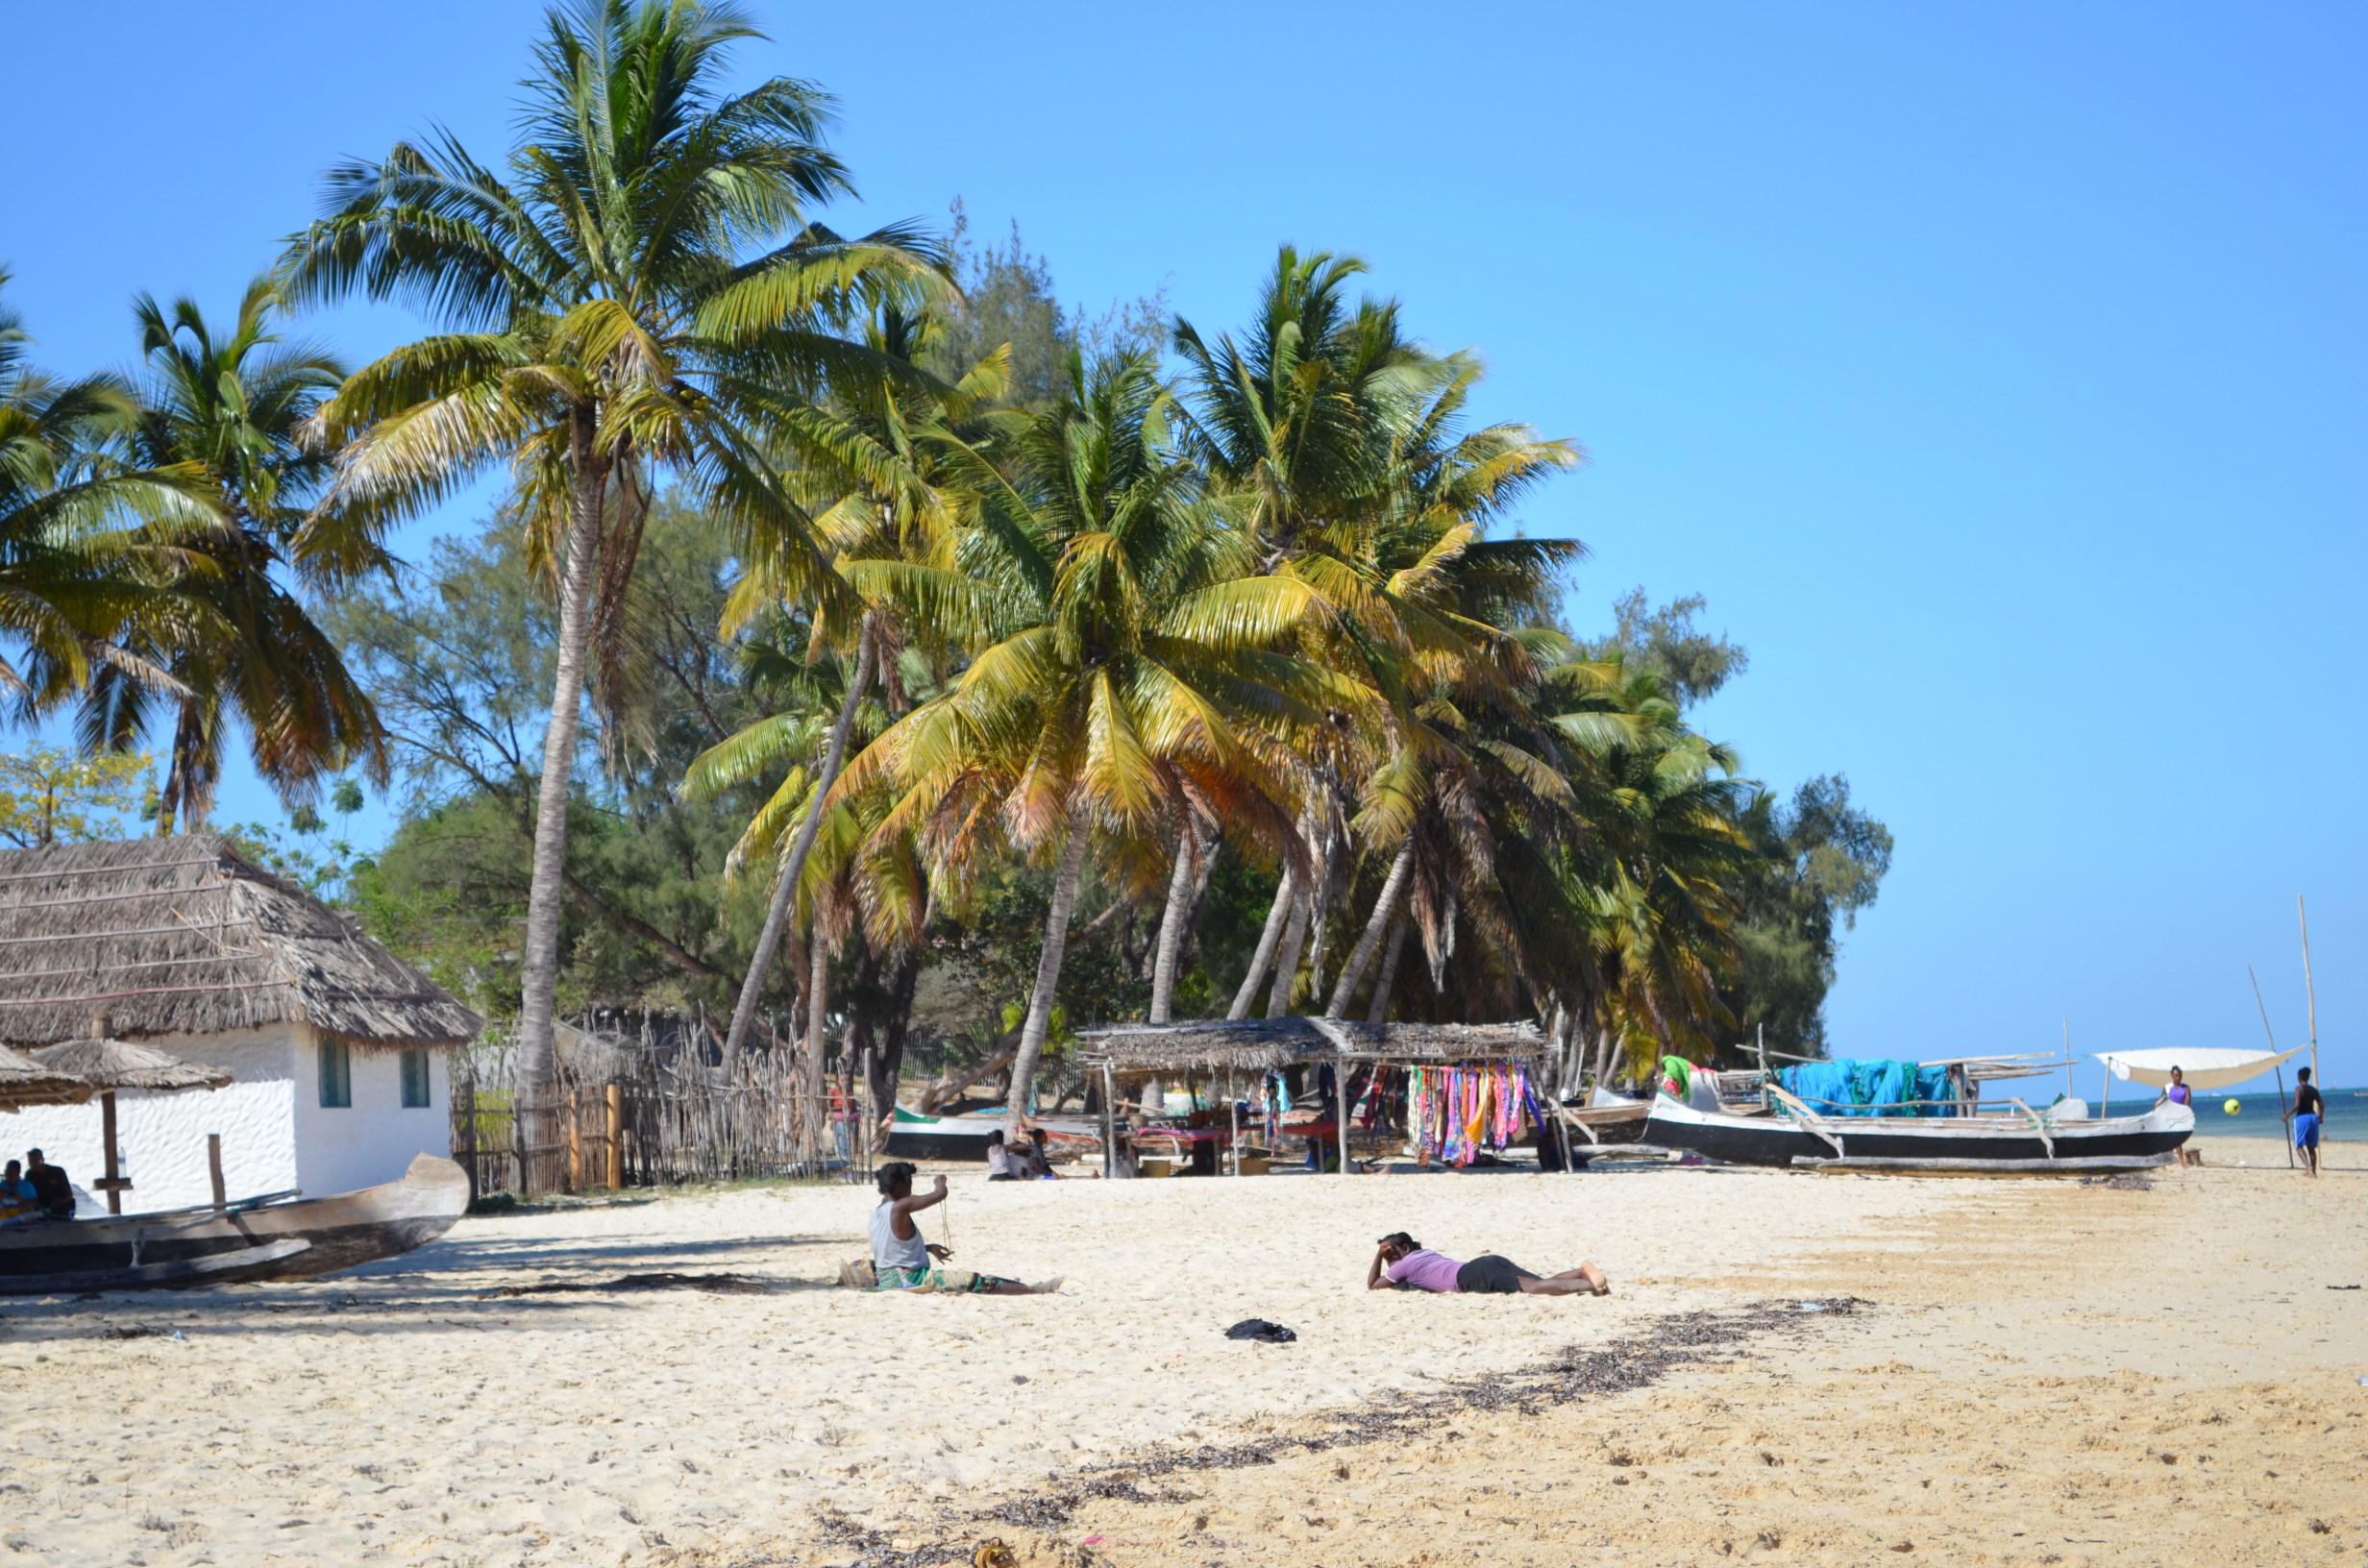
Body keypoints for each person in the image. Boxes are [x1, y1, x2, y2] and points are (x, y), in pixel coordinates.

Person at [868, 1162, 1060, 1294]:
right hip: (907, 1278)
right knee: (973, 1281)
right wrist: (939, 1181)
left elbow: (890, 1248)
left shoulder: (879, 1211)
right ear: (902, 1184)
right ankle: (1033, 1290)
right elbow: (940, 1194)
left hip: (886, 1277)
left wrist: (926, 1248)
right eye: (909, 1183)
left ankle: (1021, 1286)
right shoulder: (901, 1206)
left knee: (978, 1279)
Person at [1367, 1231, 1609, 1297]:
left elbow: (1373, 1285)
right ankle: (1581, 1271)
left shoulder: (1404, 1264)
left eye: (1391, 1253)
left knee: (1534, 1289)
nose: (1390, 1259)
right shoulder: (1424, 1253)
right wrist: (1385, 1253)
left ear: (1405, 1249)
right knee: (1539, 1282)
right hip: (1483, 1263)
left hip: (1471, 1275)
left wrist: (1378, 1256)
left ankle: (1588, 1286)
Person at [2162, 1066, 2201, 1166]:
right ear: (2172, 1076)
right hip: (2168, 1116)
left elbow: (2187, 1101)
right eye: (2176, 1075)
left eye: (2180, 1075)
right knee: (2171, 1139)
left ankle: (2178, 1161)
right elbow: (2161, 1100)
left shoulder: (2186, 1088)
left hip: (2179, 1116)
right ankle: (2177, 1161)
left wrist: (2186, 1113)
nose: (2178, 1077)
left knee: (2176, 1139)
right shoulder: (2167, 1087)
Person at [23, 1149, 75, 1221]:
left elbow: (69, 1195)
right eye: (30, 1161)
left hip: (63, 1206)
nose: (33, 1164)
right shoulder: (30, 1174)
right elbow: (29, 1195)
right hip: (42, 1208)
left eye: (35, 1161)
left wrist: (54, 1206)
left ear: (42, 1160)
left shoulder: (57, 1171)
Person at [2291, 1067, 2324, 1179]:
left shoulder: (2299, 1089)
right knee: (2311, 1147)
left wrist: (2286, 1115)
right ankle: (2314, 1173)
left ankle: (2308, 1166)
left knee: (2298, 1145)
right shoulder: (2314, 1090)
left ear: (2299, 1077)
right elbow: (2321, 1105)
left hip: (2302, 1117)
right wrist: (2321, 1116)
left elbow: (2297, 1105)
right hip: (2313, 1117)